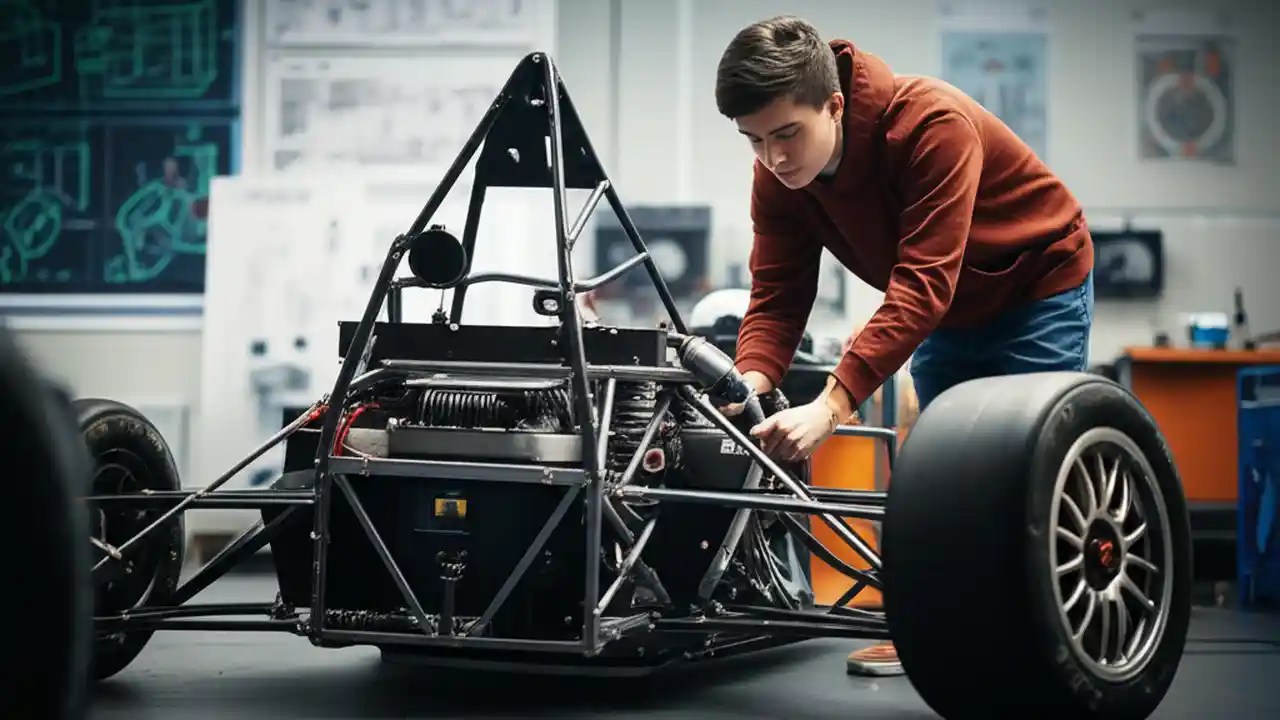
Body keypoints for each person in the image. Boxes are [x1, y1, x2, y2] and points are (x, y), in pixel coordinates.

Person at [713, 16, 1094, 676]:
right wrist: (749, 384)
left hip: (1038, 283)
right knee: (940, 478)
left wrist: (831, 405)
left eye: (785, 134)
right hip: (950, 309)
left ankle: (1045, 636)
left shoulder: (929, 123)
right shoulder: (776, 178)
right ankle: (935, 630)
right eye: (753, 140)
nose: (772, 157)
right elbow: (776, 293)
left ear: (832, 105)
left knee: (1025, 474)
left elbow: (923, 282)